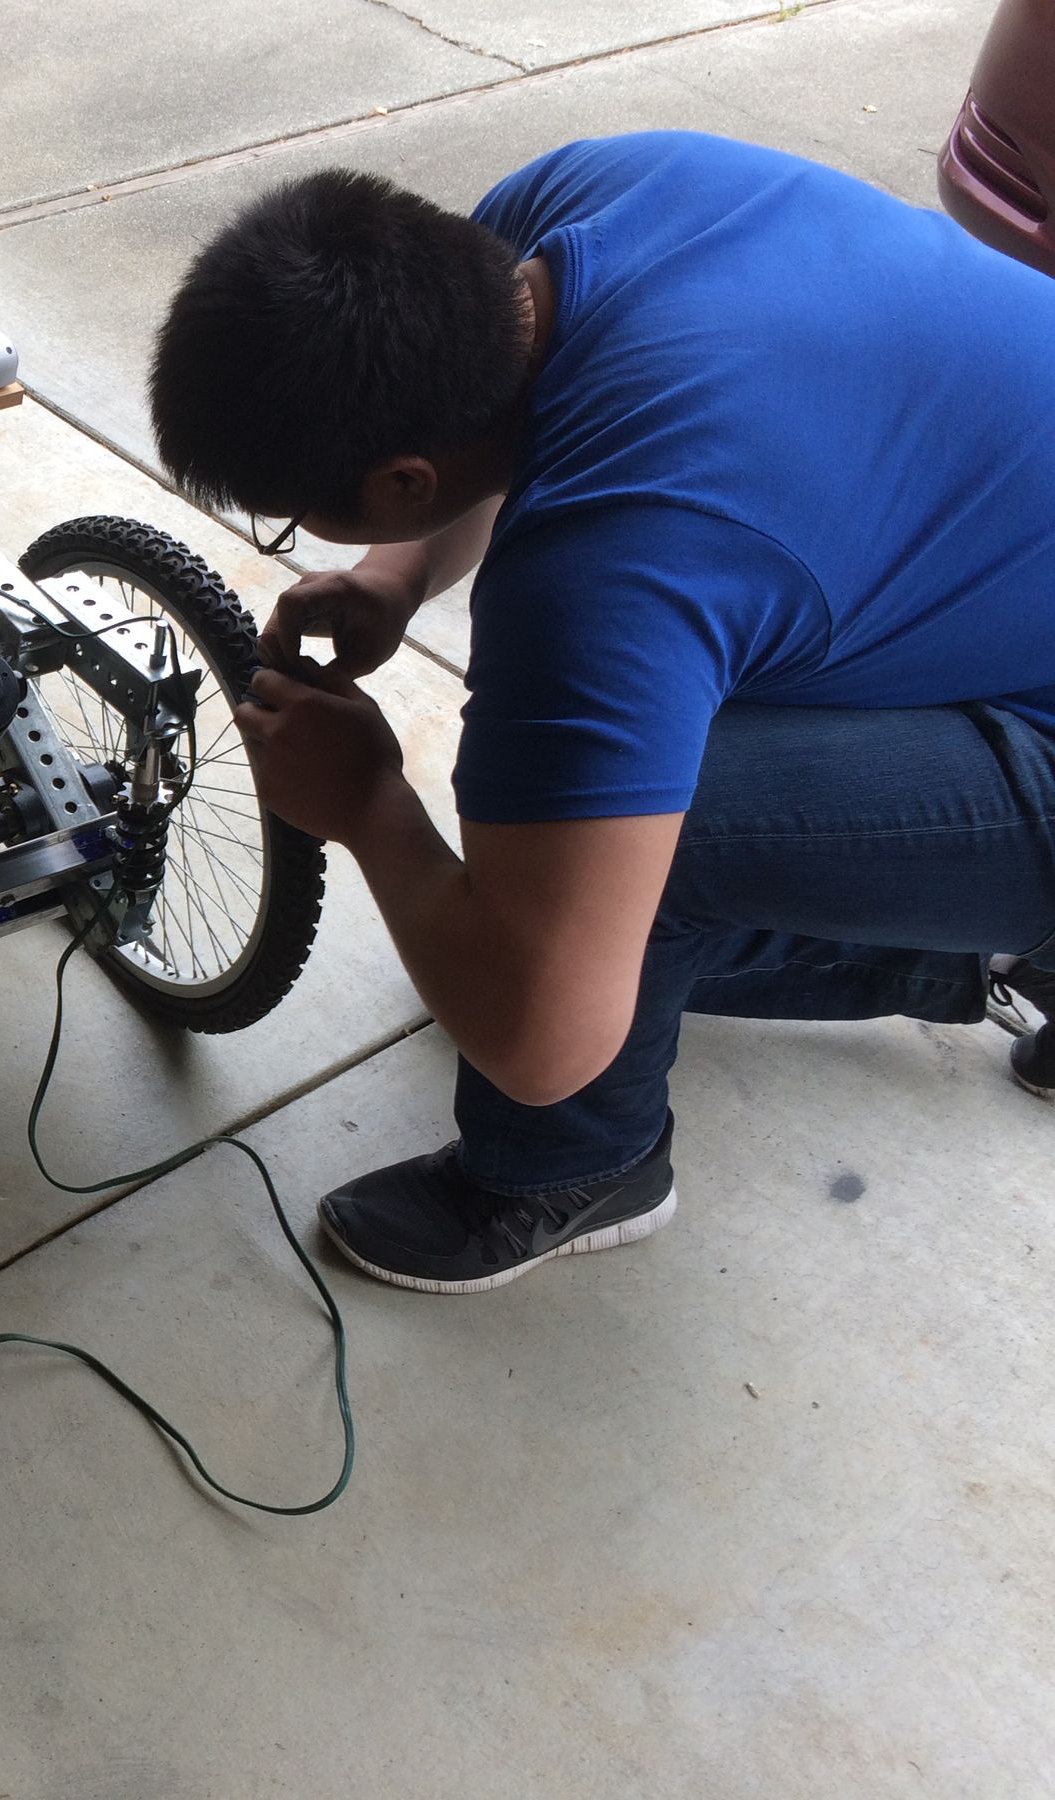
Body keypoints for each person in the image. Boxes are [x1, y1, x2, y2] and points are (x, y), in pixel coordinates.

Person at [148, 131, 1055, 1295]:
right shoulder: (588, 200)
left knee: (612, 850)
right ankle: (985, 937)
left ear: (401, 482)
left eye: (291, 521)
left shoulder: (603, 577)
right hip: (999, 574)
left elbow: (539, 1041)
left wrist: (367, 803)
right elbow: (498, 423)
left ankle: (570, 1170)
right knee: (620, 769)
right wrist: (396, 576)